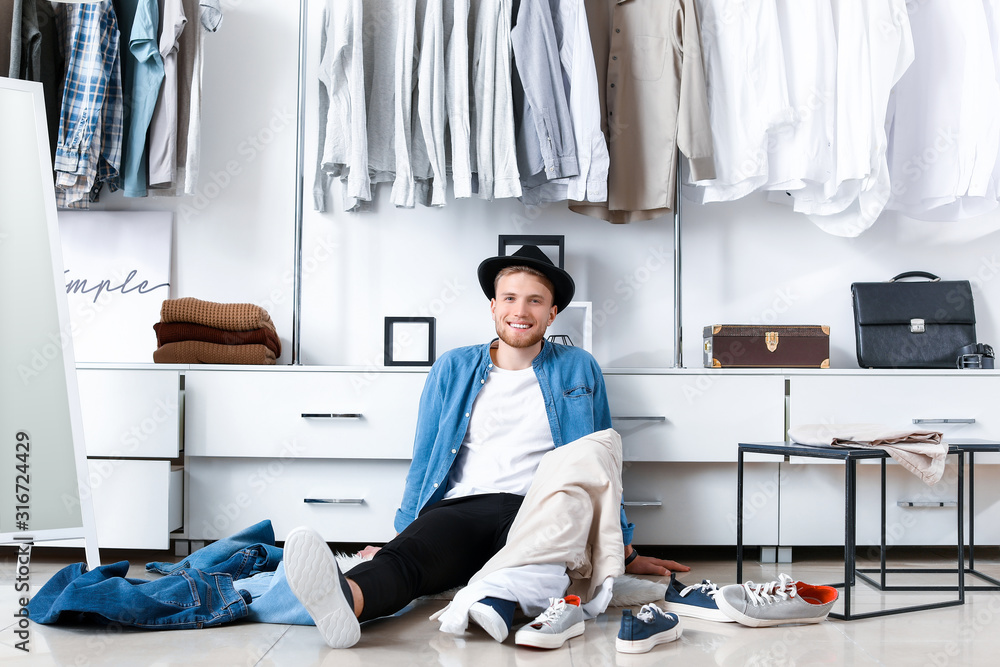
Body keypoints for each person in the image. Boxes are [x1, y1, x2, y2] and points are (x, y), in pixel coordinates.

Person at [281, 244, 689, 649]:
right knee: (409, 561)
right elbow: (425, 456)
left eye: (535, 301)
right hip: (463, 506)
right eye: (509, 298)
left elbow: (599, 464)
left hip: (540, 507)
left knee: (546, 560)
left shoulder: (578, 366)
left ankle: (493, 601)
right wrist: (406, 533)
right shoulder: (453, 367)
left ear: (552, 313)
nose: (520, 311)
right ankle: (347, 601)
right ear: (493, 306)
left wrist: (624, 548)